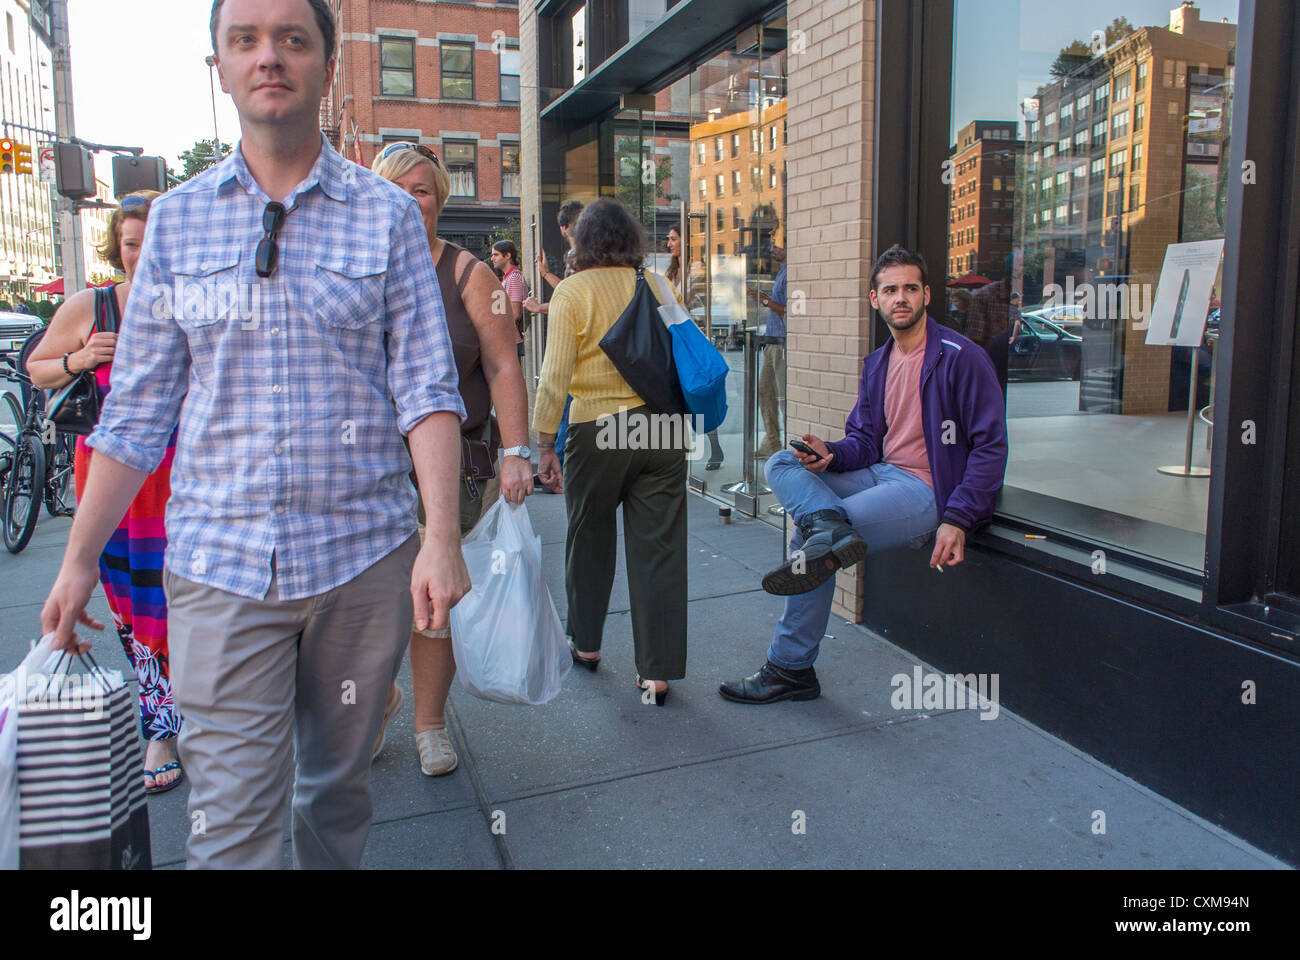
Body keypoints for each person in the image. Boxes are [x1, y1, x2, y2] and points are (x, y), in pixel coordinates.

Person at [40, 0, 470, 869]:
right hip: (221, 568)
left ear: (326, 61)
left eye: (291, 39)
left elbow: (426, 388)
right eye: (246, 39)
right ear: (221, 66)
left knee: (335, 796)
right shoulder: (177, 223)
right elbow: (139, 409)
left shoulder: (386, 217)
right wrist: (80, 557)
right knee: (231, 825)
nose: (269, 56)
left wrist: (441, 535)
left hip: (360, 557)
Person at [719, 244, 1008, 704]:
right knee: (781, 461)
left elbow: (990, 446)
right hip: (880, 473)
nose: (901, 298)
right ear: (875, 300)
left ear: (927, 295)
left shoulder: (960, 357)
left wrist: (958, 518)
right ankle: (826, 531)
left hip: (925, 492)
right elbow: (866, 443)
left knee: (814, 546)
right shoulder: (878, 364)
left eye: (910, 288)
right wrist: (829, 454)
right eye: (890, 290)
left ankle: (789, 668)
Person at [369, 141, 532, 776]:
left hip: (454, 463)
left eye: (424, 190)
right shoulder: (353, 269)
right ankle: (378, 698)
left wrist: (518, 452)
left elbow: (502, 364)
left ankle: (430, 725)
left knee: (433, 600)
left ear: (439, 199)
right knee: (371, 601)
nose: (412, 202)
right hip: (365, 467)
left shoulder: (470, 274)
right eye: (398, 190)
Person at [28, 190, 184, 796]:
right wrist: (78, 358)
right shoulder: (92, 306)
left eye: (154, 243)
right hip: (116, 495)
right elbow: (36, 367)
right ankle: (161, 731)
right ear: (116, 249)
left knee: (196, 609)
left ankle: (199, 714)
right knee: (139, 614)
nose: (142, 255)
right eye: (130, 244)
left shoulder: (194, 304)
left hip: (190, 487)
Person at [534, 198, 689, 704]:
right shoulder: (659, 284)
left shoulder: (572, 292)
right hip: (661, 429)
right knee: (659, 549)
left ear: (581, 242)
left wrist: (543, 445)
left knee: (588, 536)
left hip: (596, 430)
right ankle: (658, 671)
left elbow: (554, 378)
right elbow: (687, 349)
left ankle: (587, 644)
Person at [524, 200, 583, 483]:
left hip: (577, 348)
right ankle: (556, 467)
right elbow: (569, 295)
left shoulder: (579, 255)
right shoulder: (581, 255)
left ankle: (556, 469)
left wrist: (538, 308)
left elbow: (570, 301)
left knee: (561, 401)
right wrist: (546, 273)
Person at [667, 224, 724, 469]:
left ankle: (715, 448)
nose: (669, 244)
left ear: (686, 241)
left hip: (693, 339)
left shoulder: (697, 270)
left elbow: (701, 303)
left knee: (698, 393)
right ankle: (684, 449)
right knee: (682, 396)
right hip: (677, 340)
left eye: (673, 239)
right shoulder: (672, 271)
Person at [753, 237, 788, 458]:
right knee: (765, 392)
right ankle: (772, 442)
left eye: (776, 245)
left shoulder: (793, 272)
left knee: (783, 396)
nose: (771, 249)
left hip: (782, 343)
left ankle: (787, 446)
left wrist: (764, 300)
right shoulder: (782, 270)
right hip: (771, 341)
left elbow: (787, 308)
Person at [491, 240, 527, 358]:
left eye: (496, 254)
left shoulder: (514, 278)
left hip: (511, 340)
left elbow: (516, 312)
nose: (492, 258)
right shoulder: (508, 278)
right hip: (506, 340)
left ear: (507, 255)